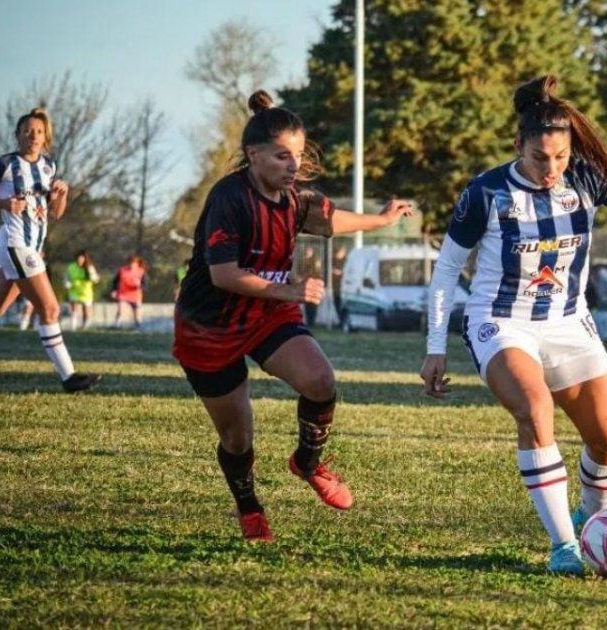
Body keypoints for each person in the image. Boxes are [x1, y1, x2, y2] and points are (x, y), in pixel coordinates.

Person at [418, 76, 607, 575]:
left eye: (560, 157)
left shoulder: (585, 178)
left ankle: (592, 527)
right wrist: (435, 345)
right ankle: (564, 547)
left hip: (569, 323)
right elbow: (447, 268)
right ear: (518, 146)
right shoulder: (484, 192)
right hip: (500, 321)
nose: (551, 168)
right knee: (535, 411)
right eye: (539, 157)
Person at [173, 90, 413, 542]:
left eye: (298, 156)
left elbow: (331, 218)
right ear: (253, 155)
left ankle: (306, 462)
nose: (294, 165)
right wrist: (292, 289)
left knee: (321, 381)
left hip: (267, 312)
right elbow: (224, 275)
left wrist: (380, 221)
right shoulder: (230, 197)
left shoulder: (294, 199)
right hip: (210, 326)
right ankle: (249, 508)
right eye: (283, 156)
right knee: (238, 438)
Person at [0, 107, 100, 392]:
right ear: (17, 135)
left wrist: (61, 196)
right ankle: (69, 377)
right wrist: (3, 204)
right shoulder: (4, 164)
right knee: (50, 308)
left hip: (30, 248)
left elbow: (56, 213)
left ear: (45, 137)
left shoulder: (48, 166)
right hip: (15, 245)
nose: (33, 136)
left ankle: (69, 377)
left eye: (38, 131)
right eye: (27, 131)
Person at [64, 249, 99, 330]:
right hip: (74, 290)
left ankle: (85, 326)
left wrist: (94, 278)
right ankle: (73, 327)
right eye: (79, 258)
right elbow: (67, 277)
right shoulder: (71, 267)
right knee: (74, 308)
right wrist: (67, 283)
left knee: (86, 310)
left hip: (86, 292)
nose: (80, 260)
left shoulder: (89, 267)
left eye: (82, 258)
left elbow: (96, 278)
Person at [111, 255, 146, 329]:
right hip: (123, 294)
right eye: (130, 262)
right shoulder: (122, 270)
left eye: (134, 263)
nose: (132, 264)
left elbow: (145, 286)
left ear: (137, 264)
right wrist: (114, 290)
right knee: (121, 309)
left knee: (137, 314)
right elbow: (115, 281)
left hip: (136, 295)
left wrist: (139, 285)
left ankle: (138, 326)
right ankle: (117, 324)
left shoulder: (141, 272)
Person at [298, 245, 322, 326]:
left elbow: (317, 273)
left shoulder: (315, 261)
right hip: (305, 284)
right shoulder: (303, 262)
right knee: (307, 303)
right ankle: (309, 321)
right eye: (306, 251)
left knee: (313, 304)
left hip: (313, 283)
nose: (307, 253)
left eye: (309, 251)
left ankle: (312, 321)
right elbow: (300, 272)